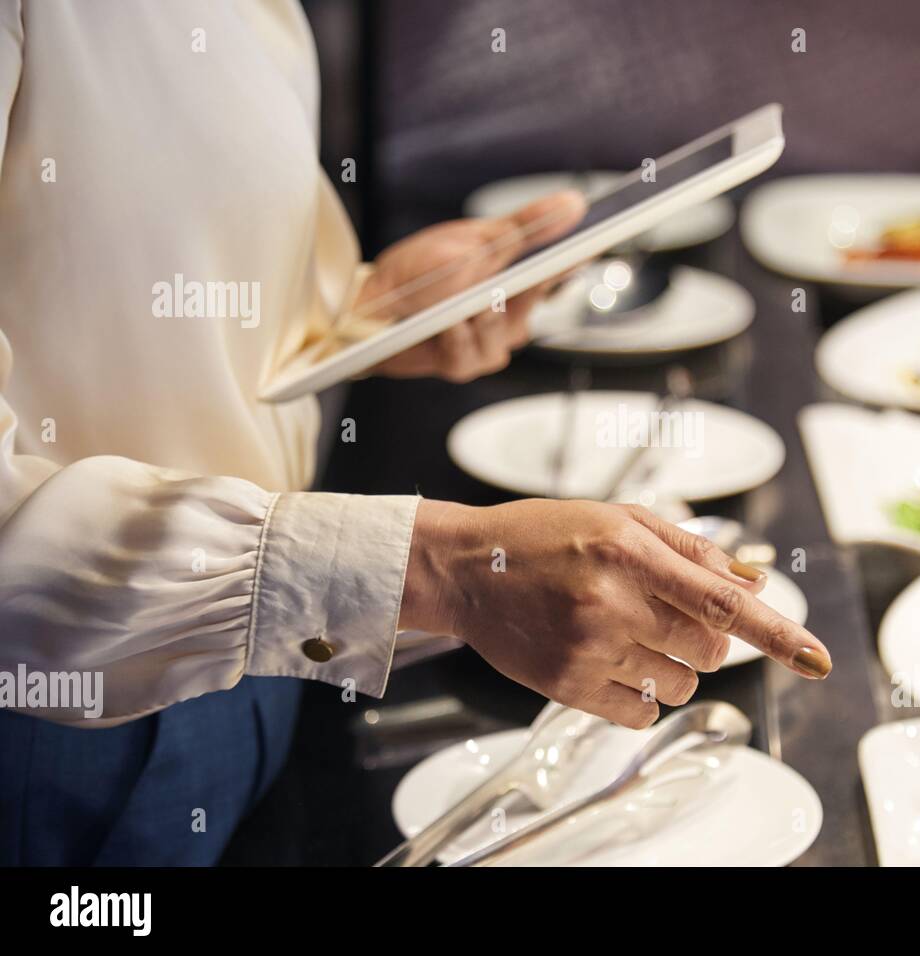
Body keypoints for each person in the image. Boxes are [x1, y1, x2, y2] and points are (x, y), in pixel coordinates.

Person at [0, 1, 830, 865]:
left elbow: (117, 287)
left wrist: (364, 314)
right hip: (54, 715)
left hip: (249, 662)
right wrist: (440, 566)